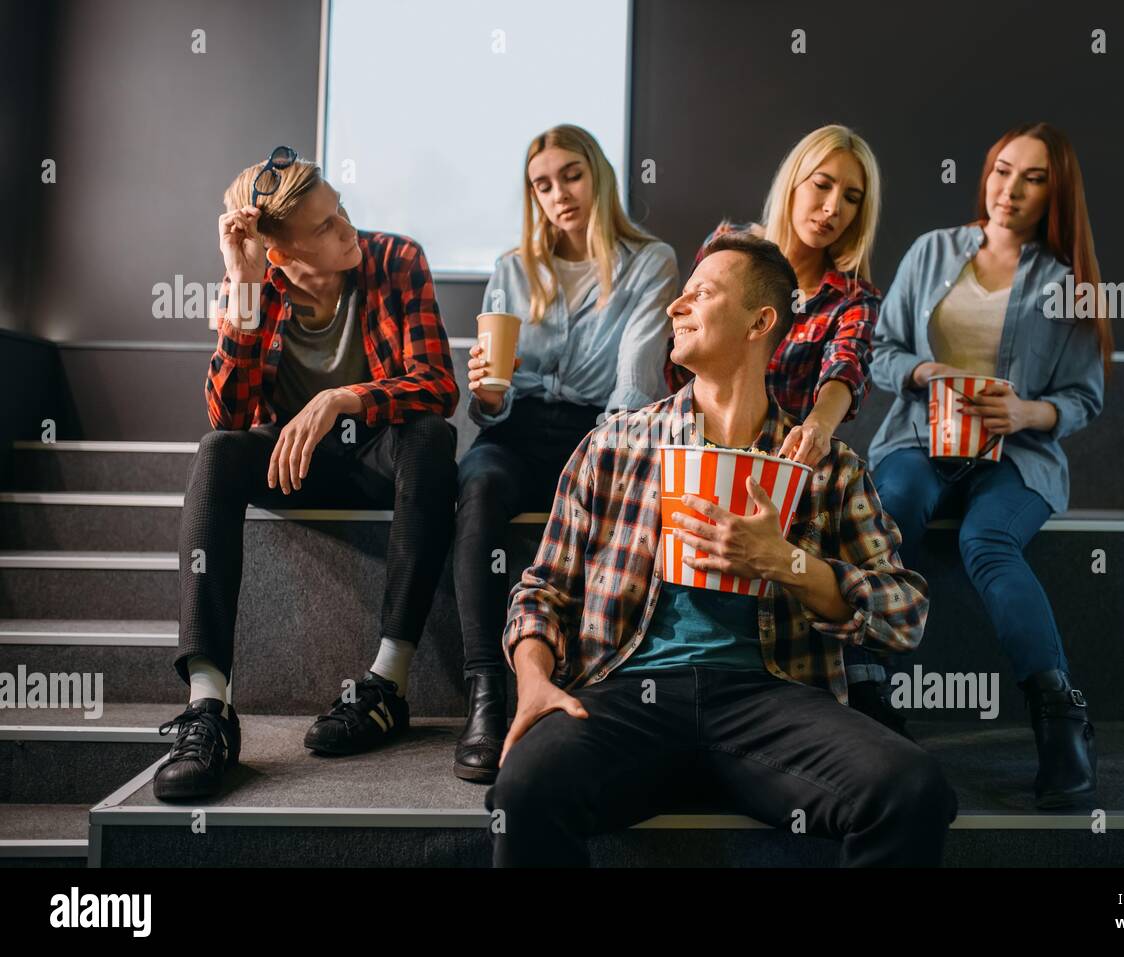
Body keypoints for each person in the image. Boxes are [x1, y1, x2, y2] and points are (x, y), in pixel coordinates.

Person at [485, 232, 956, 867]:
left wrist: (788, 564)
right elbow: (542, 590)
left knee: (914, 789)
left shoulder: (828, 467)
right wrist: (535, 680)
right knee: (521, 791)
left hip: (770, 700)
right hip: (627, 693)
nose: (676, 308)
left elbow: (906, 613)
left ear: (761, 321)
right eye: (677, 297)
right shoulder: (616, 444)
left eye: (700, 294)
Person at [153, 148, 459, 801]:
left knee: (432, 437)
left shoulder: (397, 259)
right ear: (282, 255)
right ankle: (208, 709)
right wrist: (238, 283)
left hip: (379, 455)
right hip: (295, 467)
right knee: (214, 451)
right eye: (323, 227)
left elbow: (437, 385)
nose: (346, 227)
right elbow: (230, 414)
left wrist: (341, 398)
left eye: (339, 209)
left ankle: (386, 685)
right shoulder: (256, 289)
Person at [866, 122, 1111, 809]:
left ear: (1054, 193)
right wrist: (924, 369)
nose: (1011, 189)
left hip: (1017, 456)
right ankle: (868, 690)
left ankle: (1060, 717)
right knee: (889, 513)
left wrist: (1025, 413)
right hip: (920, 436)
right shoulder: (931, 252)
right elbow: (881, 350)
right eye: (1003, 170)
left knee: (987, 538)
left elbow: (1083, 398)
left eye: (1033, 178)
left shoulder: (1069, 283)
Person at [452, 124, 677, 782]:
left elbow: (634, 386)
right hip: (519, 430)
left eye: (571, 175)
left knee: (625, 497)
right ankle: (487, 691)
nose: (558, 194)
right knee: (480, 486)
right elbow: (494, 405)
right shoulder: (512, 268)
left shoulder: (649, 261)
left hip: (600, 428)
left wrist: (598, 466)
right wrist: (487, 394)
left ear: (598, 176)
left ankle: (594, 685)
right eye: (542, 184)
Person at [664, 124, 883, 468]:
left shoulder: (854, 298)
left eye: (851, 198)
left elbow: (846, 367)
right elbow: (686, 339)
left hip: (783, 457)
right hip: (693, 442)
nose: (832, 208)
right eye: (822, 185)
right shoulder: (726, 248)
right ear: (792, 182)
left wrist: (818, 425)